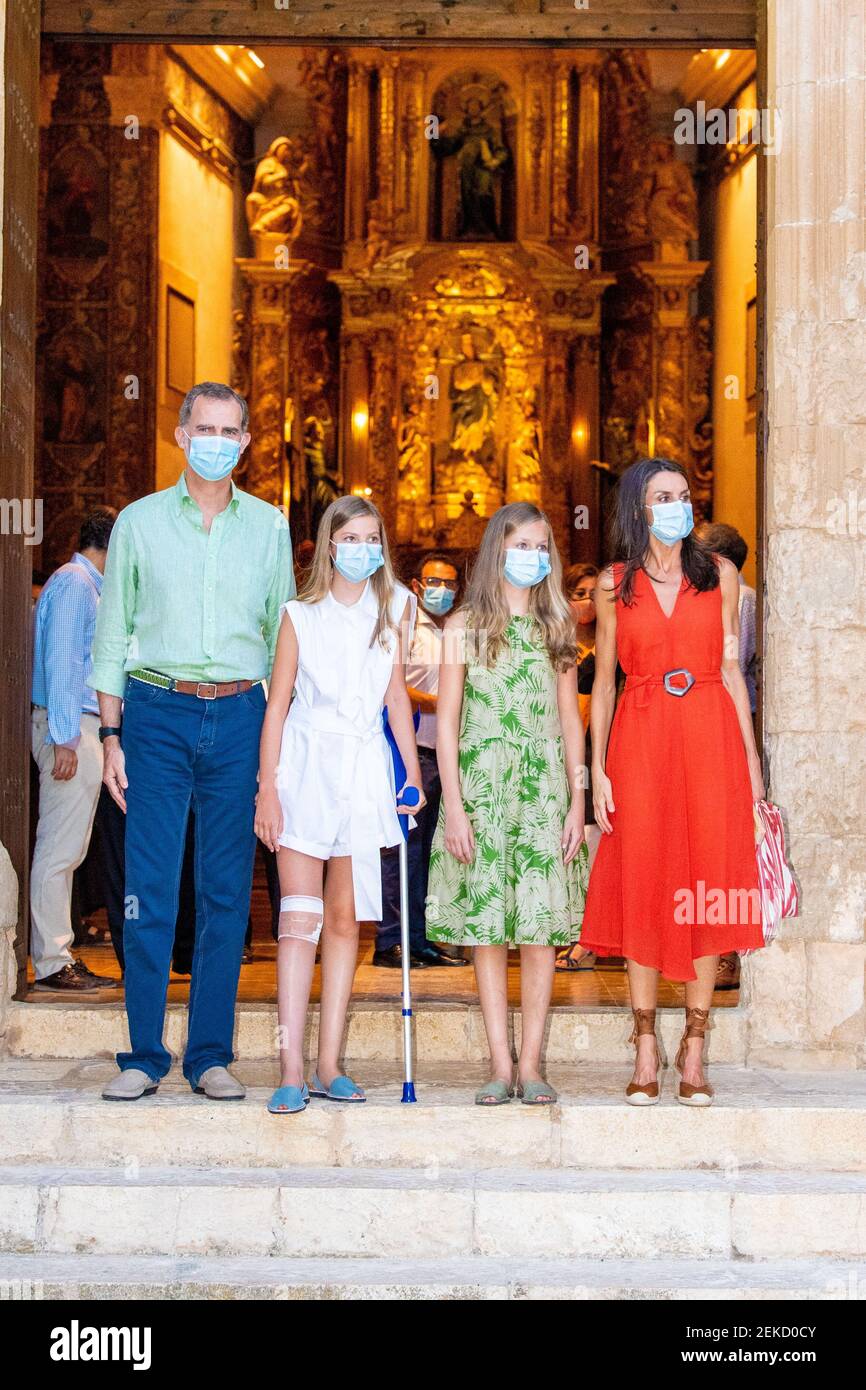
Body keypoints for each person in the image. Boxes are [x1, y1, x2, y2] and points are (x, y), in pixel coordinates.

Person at [91, 381, 294, 1102]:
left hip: (240, 714)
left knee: (224, 894)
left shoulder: (269, 527)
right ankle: (144, 1053)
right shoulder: (139, 524)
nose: (215, 440)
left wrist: (274, 757)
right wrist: (111, 735)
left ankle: (209, 1052)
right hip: (156, 710)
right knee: (149, 889)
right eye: (202, 428)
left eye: (229, 430)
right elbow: (113, 632)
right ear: (182, 435)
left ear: (245, 442)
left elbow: (282, 642)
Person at [580, 458, 765, 1107]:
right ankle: (645, 1042)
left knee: (706, 885)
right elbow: (603, 682)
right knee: (645, 881)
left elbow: (733, 672)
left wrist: (753, 770)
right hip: (641, 738)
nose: (677, 507)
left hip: (709, 736)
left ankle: (693, 1043)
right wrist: (595, 771)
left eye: (684, 497)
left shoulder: (720, 574)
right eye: (664, 497)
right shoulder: (612, 584)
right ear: (638, 507)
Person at [254, 495, 424, 1115]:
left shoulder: (396, 609)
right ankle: (291, 1066)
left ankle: (329, 1064)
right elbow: (276, 705)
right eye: (350, 537)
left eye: (372, 538)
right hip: (304, 768)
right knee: (300, 919)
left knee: (347, 921)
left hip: (362, 771)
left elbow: (398, 700)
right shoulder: (299, 615)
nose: (362, 548)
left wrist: (411, 771)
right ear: (329, 544)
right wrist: (267, 786)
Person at [426, 503, 589, 1106]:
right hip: (482, 789)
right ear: (498, 548)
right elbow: (445, 726)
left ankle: (534, 1061)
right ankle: (499, 1063)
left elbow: (572, 719)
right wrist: (458, 808)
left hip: (543, 786)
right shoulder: (464, 625)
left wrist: (578, 799)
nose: (534, 556)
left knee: (541, 930)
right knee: (489, 929)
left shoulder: (558, 625)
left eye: (543, 547)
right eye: (522, 544)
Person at [30, 507, 119, 993]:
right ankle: (50, 960)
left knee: (70, 847)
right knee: (60, 847)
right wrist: (64, 737)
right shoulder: (73, 585)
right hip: (70, 726)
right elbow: (63, 663)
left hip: (81, 725)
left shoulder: (85, 586)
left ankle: (57, 952)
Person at [375, 551, 469, 969]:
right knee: (400, 848)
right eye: (435, 582)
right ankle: (390, 940)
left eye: (450, 584)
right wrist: (443, 704)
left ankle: (424, 938)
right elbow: (390, 687)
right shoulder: (405, 629)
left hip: (447, 754)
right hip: (410, 750)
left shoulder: (461, 629)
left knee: (431, 854)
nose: (443, 591)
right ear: (416, 584)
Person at [696, 521, 758, 993]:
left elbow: (733, 659)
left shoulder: (743, 597)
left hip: (730, 716)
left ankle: (726, 954)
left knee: (721, 842)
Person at [556, 563, 600, 973]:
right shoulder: (555, 640)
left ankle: (591, 937)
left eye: (594, 592)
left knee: (596, 846)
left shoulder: (611, 641)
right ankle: (576, 933)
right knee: (576, 846)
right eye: (579, 592)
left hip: (600, 752)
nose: (588, 601)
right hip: (564, 752)